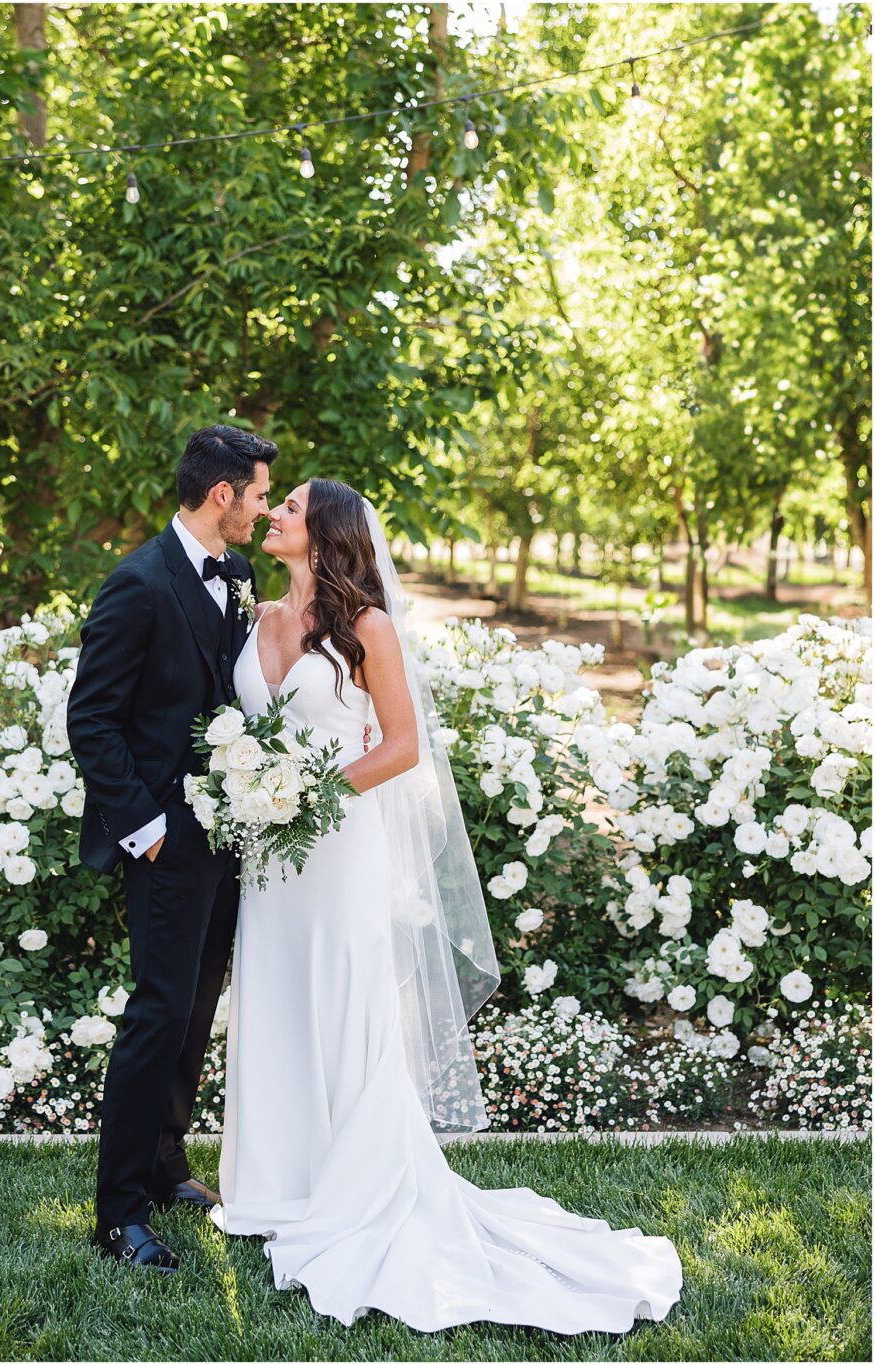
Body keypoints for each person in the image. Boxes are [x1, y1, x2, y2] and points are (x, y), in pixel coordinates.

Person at [214, 476, 683, 1333]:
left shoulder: (368, 627)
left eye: (290, 508)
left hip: (335, 842)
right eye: (273, 506)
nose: (272, 514)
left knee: (346, 1001)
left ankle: (356, 1185)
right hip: (271, 861)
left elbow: (401, 746)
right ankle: (278, 1186)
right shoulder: (258, 618)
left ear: (324, 533)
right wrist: (253, 790)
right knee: (278, 1002)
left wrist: (304, 790)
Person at [64, 424, 273, 1271]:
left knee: (196, 1007)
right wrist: (144, 829)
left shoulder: (241, 575)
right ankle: (117, 1213)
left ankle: (163, 1164)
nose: (262, 509)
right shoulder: (138, 583)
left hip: (228, 830)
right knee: (156, 1013)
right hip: (162, 837)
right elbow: (91, 717)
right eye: (258, 494)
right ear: (221, 495)